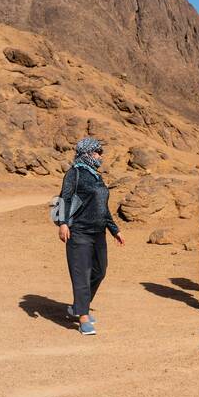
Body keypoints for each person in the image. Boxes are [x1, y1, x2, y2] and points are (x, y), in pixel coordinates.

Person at [55, 137, 124, 336]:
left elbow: (103, 207)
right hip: (79, 232)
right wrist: (63, 223)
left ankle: (79, 305)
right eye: (97, 152)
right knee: (81, 275)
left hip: (99, 233)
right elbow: (64, 198)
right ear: (87, 153)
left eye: (100, 152)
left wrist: (114, 229)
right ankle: (83, 316)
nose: (100, 156)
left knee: (99, 271)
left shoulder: (96, 176)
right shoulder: (74, 173)